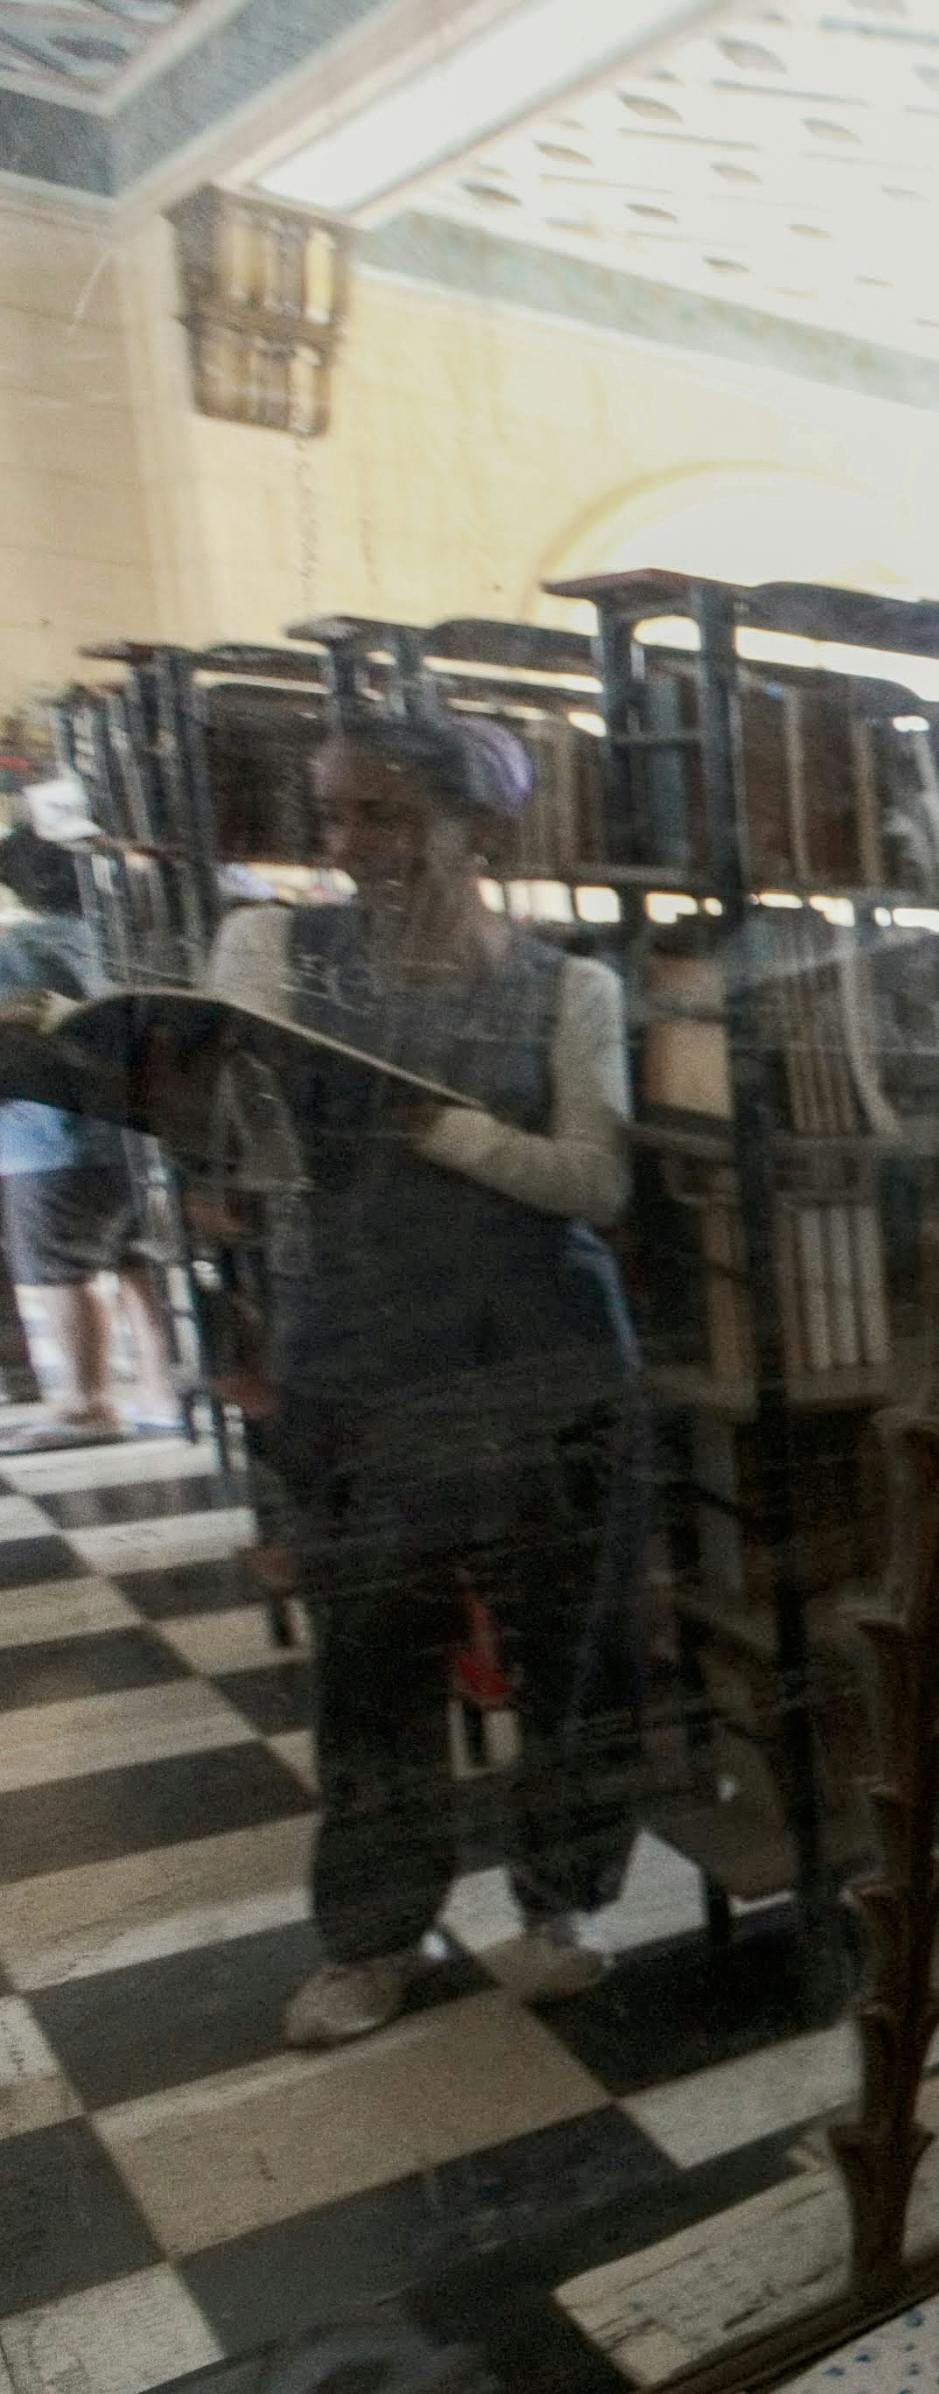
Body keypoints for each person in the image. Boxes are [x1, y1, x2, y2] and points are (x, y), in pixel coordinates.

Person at [212, 712, 649, 2049]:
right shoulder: (267, 950)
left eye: (385, 815)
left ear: (475, 826)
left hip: (541, 1351)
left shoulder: (570, 987)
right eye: (334, 815)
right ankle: (370, 1938)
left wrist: (436, 1127)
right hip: (357, 1355)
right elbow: (244, 1146)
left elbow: (597, 1182)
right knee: (371, 1659)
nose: (351, 849)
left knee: (569, 1651)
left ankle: (561, 1903)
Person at [0, 825, 183, 1450]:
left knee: (63, 1272)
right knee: (140, 1263)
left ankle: (87, 1402)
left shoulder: (12, 950)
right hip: (135, 1135)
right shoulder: (116, 941)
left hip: (46, 1139)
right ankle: (166, 1392)